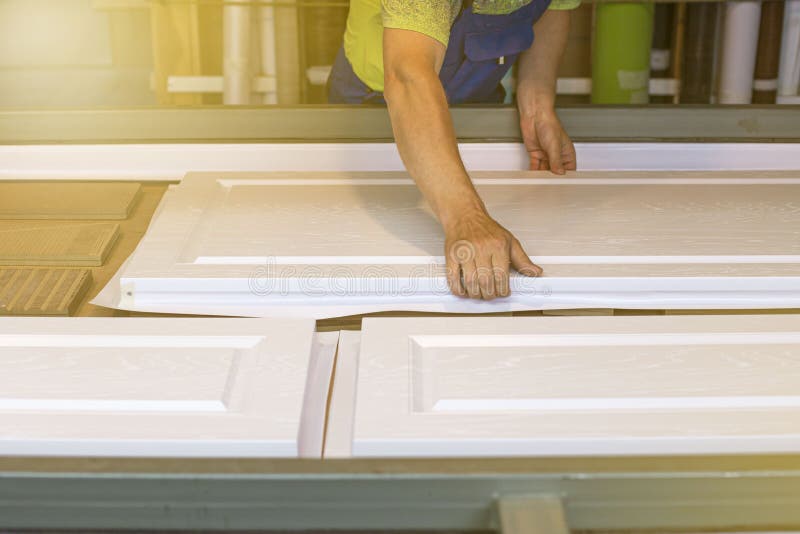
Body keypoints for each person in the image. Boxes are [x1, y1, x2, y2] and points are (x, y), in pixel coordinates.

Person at [328, 0, 579, 300]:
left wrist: (538, 101)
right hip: (378, 95)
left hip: (473, 90)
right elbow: (408, 78)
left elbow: (554, 7)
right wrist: (467, 219)